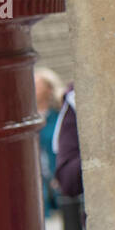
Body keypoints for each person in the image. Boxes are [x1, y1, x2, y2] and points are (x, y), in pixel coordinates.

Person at [35, 67, 66, 218]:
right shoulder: (29, 118)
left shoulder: (58, 115)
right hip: (39, 184)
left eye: (37, 85)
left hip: (57, 179)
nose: (33, 88)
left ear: (49, 88)